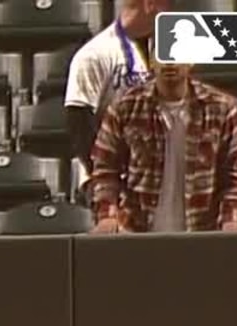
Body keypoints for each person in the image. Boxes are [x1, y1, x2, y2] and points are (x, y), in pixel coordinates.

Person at [90, 60, 237, 233]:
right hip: (137, 234)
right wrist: (107, 216)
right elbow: (105, 170)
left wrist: (232, 220)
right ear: (151, 59)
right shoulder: (124, 108)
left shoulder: (222, 108)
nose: (169, 61)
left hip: (202, 234)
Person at [65, 0, 170, 198]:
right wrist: (106, 173)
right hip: (112, 179)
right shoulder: (94, 54)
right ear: (150, 5)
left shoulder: (166, 47)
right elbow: (78, 123)